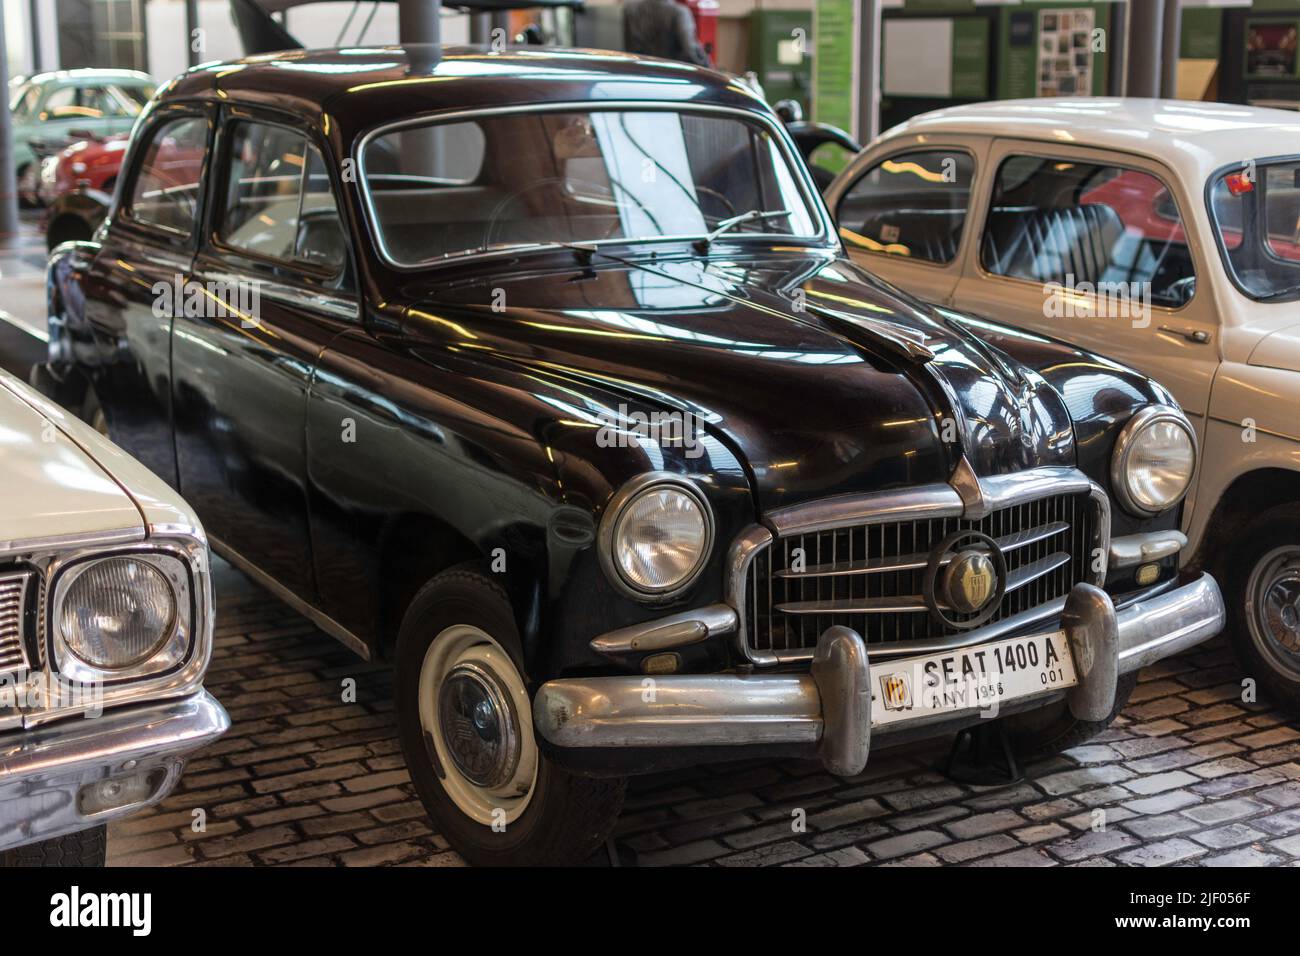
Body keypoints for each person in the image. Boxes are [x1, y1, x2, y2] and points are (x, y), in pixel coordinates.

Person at [623, 0, 711, 66]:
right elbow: (691, 52)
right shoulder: (680, 12)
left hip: (642, 72)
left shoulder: (630, 10)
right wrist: (709, 68)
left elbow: (629, 47)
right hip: (672, 76)